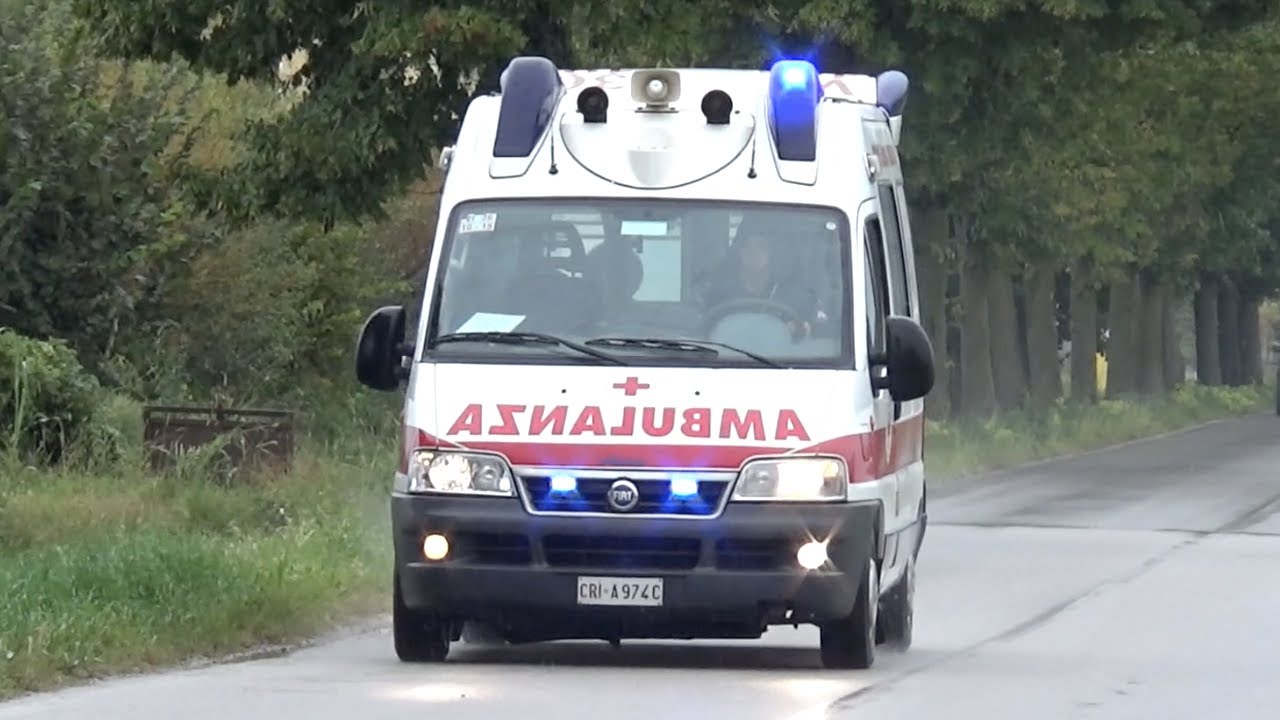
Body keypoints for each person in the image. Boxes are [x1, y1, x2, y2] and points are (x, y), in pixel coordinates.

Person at [703, 229, 824, 337]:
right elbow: (704, 330)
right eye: (748, 247)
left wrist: (799, 329)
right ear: (740, 253)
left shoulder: (791, 297)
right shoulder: (720, 294)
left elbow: (814, 328)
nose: (753, 253)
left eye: (761, 248)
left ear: (771, 255)